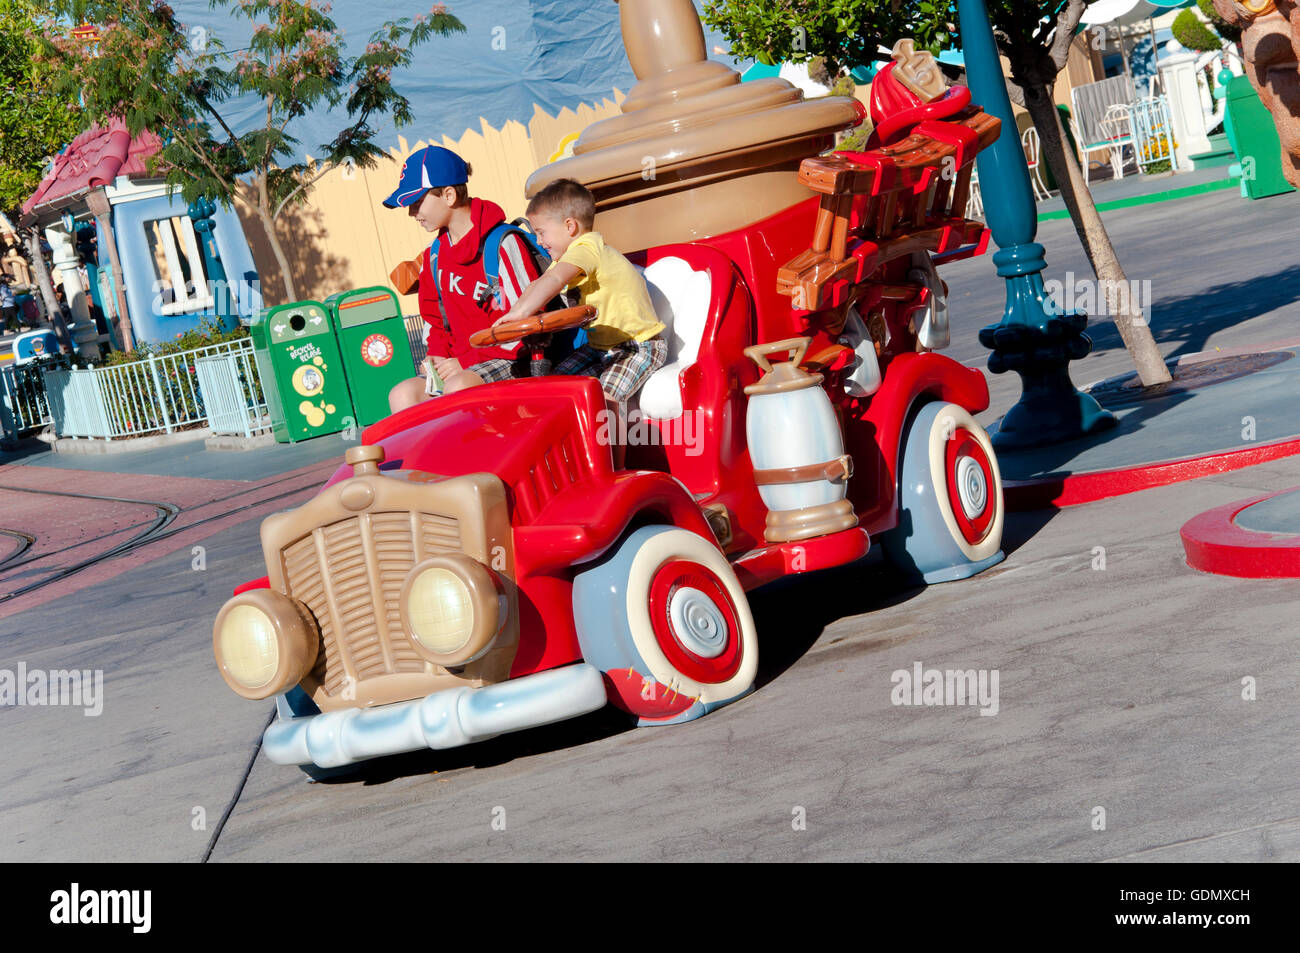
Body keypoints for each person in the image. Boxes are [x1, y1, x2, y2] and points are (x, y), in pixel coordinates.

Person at [495, 178, 666, 447]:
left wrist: (522, 312)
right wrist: (514, 316)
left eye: (541, 232)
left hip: (637, 346)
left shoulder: (587, 248)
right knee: (554, 388)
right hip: (601, 347)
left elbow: (554, 281)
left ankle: (616, 470)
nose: (539, 241)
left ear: (570, 227)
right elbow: (538, 284)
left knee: (604, 399)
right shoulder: (567, 258)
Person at [383, 146, 544, 413]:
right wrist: (436, 354)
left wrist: (466, 361)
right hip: (460, 366)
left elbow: (524, 327)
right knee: (402, 396)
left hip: (513, 359)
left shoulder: (502, 243)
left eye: (416, 202)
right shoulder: (434, 255)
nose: (412, 213)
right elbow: (435, 320)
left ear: (448, 195)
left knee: (457, 389)